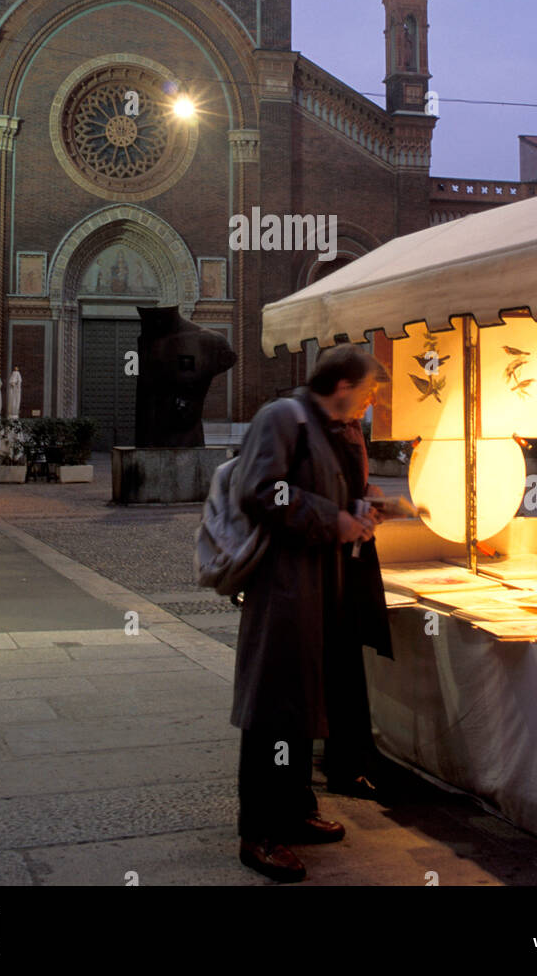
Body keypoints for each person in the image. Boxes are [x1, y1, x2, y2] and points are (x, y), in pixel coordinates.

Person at [230, 344, 393, 883]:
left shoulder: (332, 425)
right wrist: (334, 520)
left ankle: (296, 809)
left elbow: (328, 491)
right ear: (344, 384)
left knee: (304, 704)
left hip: (323, 586)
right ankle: (260, 833)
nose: (371, 403)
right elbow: (260, 489)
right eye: (369, 391)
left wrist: (365, 507)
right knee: (275, 707)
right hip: (284, 587)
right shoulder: (284, 416)